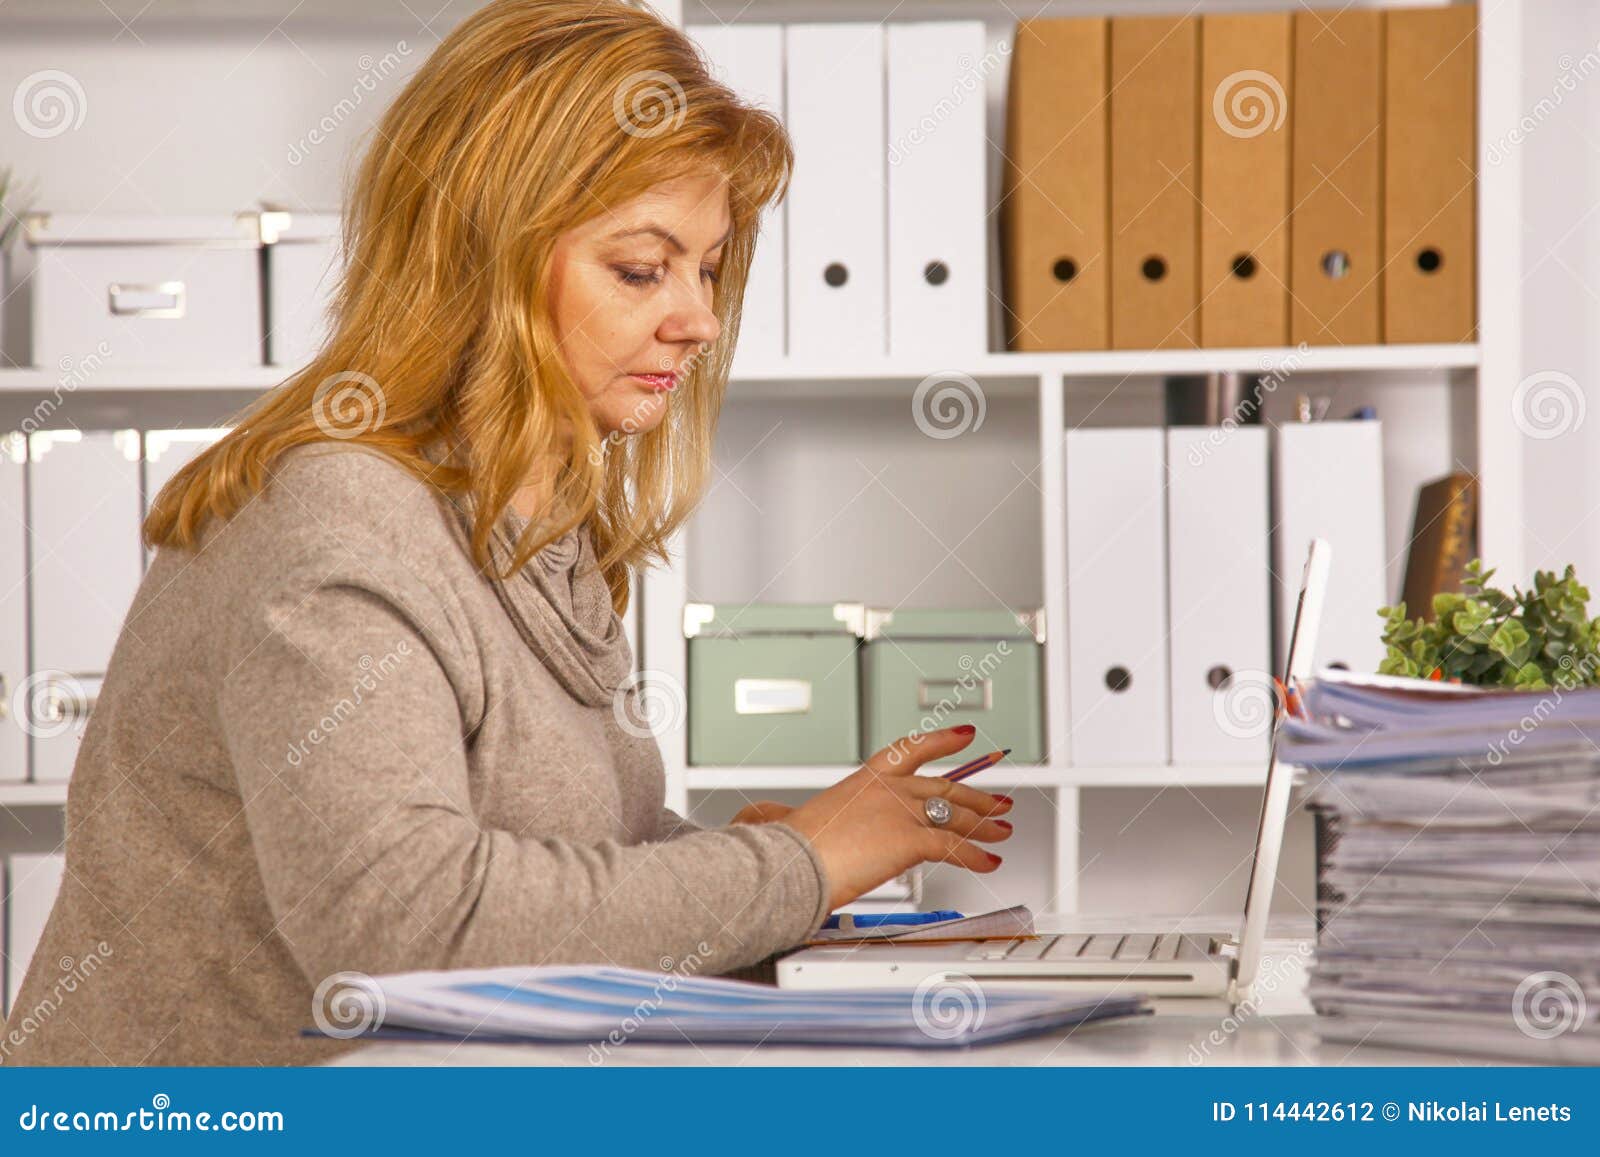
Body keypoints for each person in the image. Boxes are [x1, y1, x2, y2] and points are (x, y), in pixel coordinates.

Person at [0, 0, 1011, 1066]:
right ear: (481, 258)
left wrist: (775, 863)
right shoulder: (337, 519)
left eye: (708, 268)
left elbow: (548, 861)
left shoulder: (537, 518)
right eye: (642, 268)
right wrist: (794, 865)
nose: (699, 321)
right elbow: (401, 921)